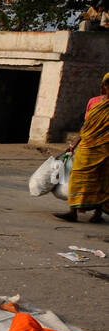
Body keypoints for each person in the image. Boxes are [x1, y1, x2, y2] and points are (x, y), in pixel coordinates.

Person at [54, 72, 109, 223]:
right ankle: (73, 212)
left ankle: (98, 214)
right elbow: (85, 126)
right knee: (77, 176)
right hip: (87, 146)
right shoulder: (94, 102)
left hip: (106, 150)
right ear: (104, 86)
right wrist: (73, 144)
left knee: (102, 181)